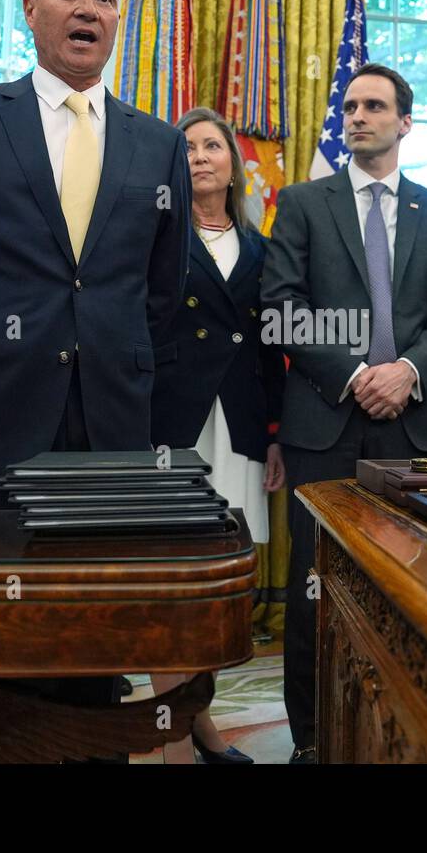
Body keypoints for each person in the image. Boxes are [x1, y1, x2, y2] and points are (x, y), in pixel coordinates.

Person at [0, 0, 190, 715]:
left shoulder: (160, 142)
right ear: (31, 10)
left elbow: (162, 290)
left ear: (117, 22)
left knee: (92, 631)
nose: (88, 8)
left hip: (110, 427)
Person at [262, 63, 427, 762]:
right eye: (349, 106)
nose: (357, 117)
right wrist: (356, 375)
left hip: (410, 425)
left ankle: (395, 734)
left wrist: (407, 371)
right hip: (323, 419)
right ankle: (312, 741)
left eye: (374, 106)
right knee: (314, 588)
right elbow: (283, 309)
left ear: (404, 122)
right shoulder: (301, 203)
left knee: (405, 586)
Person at [148, 107, 286, 764]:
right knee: (168, 581)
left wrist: (278, 434)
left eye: (212, 145)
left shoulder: (265, 248)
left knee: (214, 589)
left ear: (233, 161)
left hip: (238, 422)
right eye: (189, 147)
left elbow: (271, 350)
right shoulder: (156, 233)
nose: (201, 156)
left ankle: (197, 722)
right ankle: (176, 734)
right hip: (170, 422)